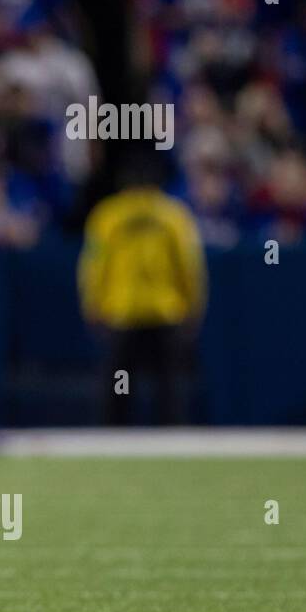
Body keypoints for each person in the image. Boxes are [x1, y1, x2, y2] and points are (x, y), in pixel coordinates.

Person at [79, 150, 206, 425]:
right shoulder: (173, 215)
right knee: (169, 391)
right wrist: (194, 306)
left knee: (118, 390)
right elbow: (190, 266)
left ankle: (112, 445)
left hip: (122, 312)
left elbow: (93, 265)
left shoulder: (108, 216)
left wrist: (92, 304)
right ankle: (172, 447)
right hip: (165, 311)